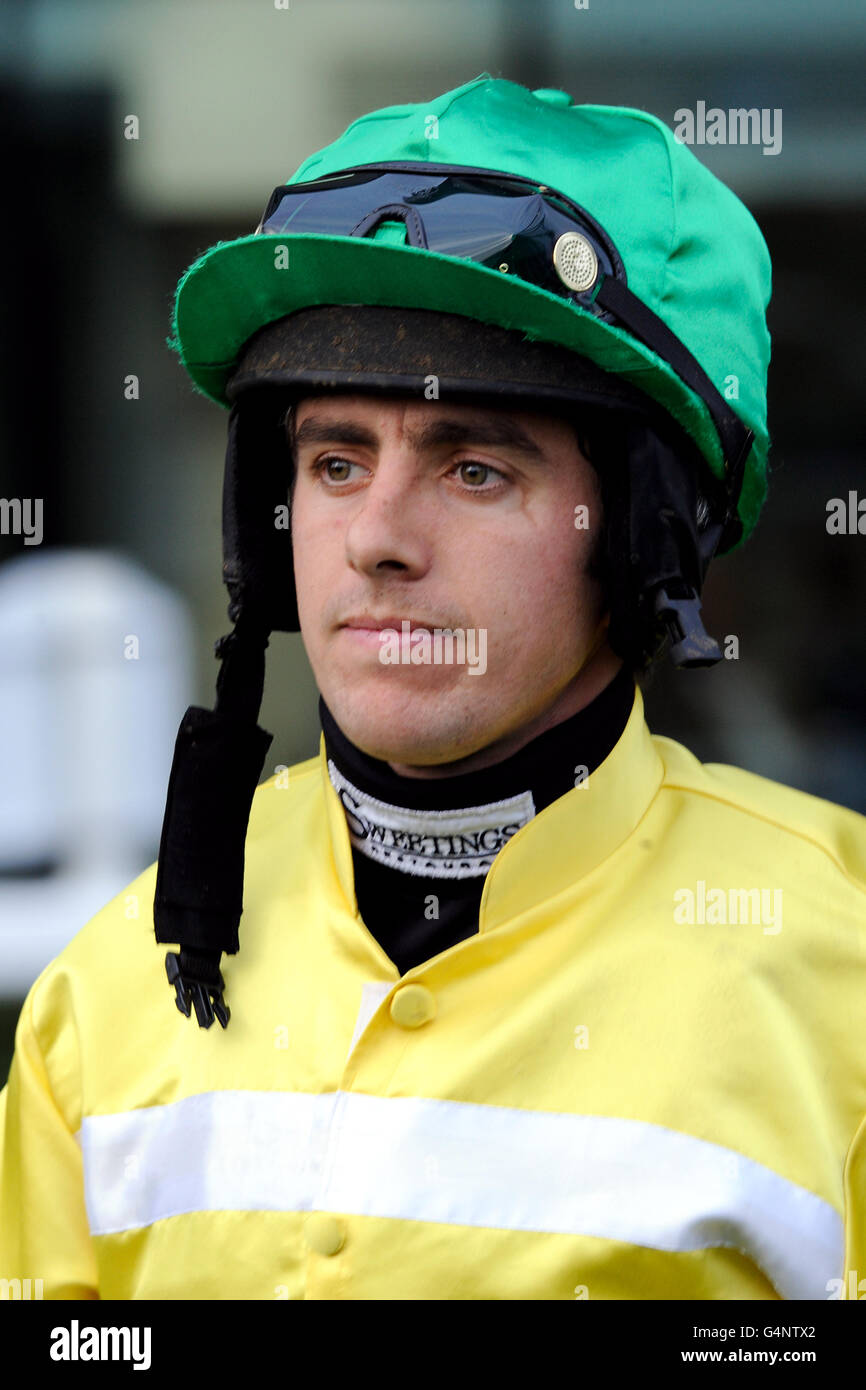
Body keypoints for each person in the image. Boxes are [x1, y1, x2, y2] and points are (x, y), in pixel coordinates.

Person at [1, 73, 864, 1303]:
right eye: (336, 459)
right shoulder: (108, 986)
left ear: (645, 538)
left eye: (471, 468)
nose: (375, 539)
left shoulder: (844, 976)